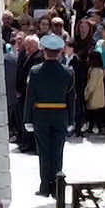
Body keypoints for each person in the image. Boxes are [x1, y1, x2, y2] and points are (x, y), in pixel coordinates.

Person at [26, 34, 73, 198]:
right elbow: (71, 98)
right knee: (57, 150)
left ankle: (45, 186)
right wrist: (71, 119)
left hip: (41, 115)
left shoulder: (35, 71)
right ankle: (57, 187)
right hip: (60, 115)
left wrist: (27, 119)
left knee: (44, 152)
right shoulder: (67, 72)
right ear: (60, 51)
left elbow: (30, 96)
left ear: (44, 51)